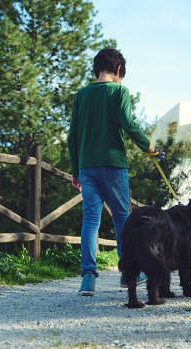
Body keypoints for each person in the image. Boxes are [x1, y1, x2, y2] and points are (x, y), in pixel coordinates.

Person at [68, 47, 156, 296]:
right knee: (122, 220)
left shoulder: (82, 95)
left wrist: (76, 170)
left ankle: (88, 279)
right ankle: (129, 274)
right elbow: (128, 123)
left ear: (96, 69)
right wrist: (147, 146)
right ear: (119, 70)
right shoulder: (119, 91)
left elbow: (72, 136)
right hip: (114, 165)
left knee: (90, 221)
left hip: (87, 167)